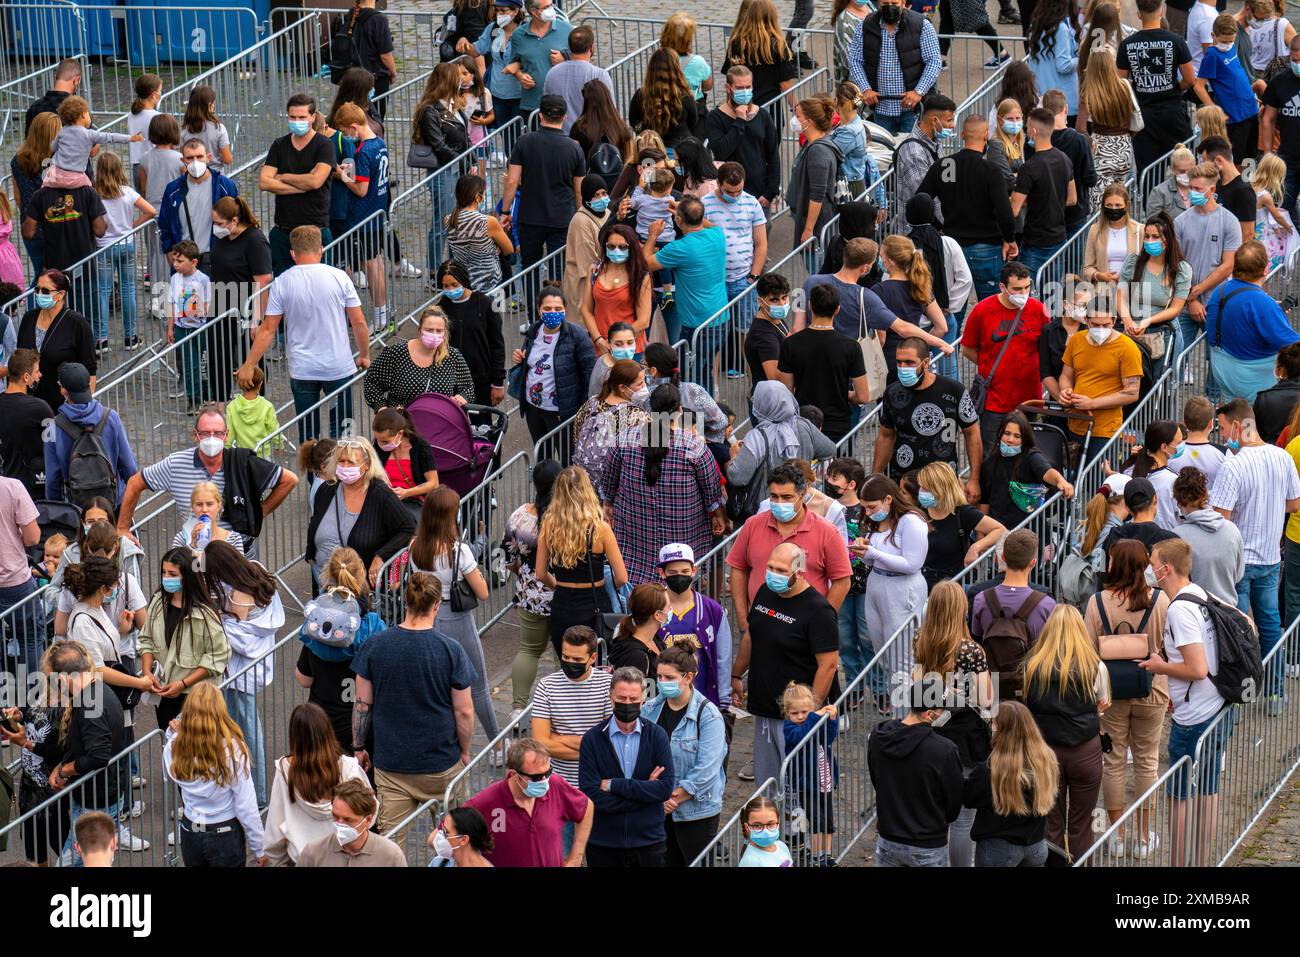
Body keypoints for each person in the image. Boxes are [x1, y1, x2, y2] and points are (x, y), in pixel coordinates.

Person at [350, 572, 474, 833]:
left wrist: (359, 747)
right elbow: (463, 711)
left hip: (391, 764)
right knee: (458, 838)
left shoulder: (375, 646)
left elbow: (362, 704)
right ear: (437, 605)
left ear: (405, 601)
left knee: (392, 844)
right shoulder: (451, 650)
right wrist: (465, 751)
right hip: (441, 762)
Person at [1138, 538, 1230, 864]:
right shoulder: (1202, 593)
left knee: (1179, 795)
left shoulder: (1178, 609)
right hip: (1217, 708)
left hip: (1195, 718)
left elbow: (1196, 668)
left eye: (1152, 563)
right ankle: (1202, 861)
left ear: (1166, 569)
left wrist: (1159, 666)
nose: (1150, 569)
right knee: (1208, 788)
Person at [236, 225, 370, 443]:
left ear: (292, 254)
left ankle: (313, 477)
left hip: (302, 368)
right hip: (337, 366)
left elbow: (268, 329)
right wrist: (364, 354)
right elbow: (359, 321)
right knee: (343, 432)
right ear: (321, 250)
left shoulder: (282, 282)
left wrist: (250, 363)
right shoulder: (339, 277)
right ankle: (343, 473)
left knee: (308, 434)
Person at [1082, 539, 1169, 858]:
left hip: (1110, 692)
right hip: (1152, 688)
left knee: (1114, 761)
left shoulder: (1097, 602)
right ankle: (1144, 837)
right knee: (1148, 761)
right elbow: (1164, 642)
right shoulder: (1159, 600)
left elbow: (1089, 649)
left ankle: (1117, 836)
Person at [117, 405, 297, 560]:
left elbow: (289, 480)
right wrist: (123, 528)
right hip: (197, 552)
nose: (212, 438)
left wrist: (260, 511)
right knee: (201, 597)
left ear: (226, 436)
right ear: (195, 435)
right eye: (205, 433)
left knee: (238, 598)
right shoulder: (176, 464)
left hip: (237, 553)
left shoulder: (242, 463)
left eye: (218, 433)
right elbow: (135, 482)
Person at [1210, 397, 1300, 690]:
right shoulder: (1282, 456)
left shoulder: (1234, 465)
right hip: (1270, 558)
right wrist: (1271, 506)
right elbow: (1294, 503)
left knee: (1240, 630)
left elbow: (1220, 517)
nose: (1222, 436)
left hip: (1239, 562)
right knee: (1270, 624)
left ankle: (1242, 689)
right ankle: (1274, 690)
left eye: (1223, 428)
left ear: (1238, 426)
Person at [602, 384, 725, 585]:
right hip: (683, 543)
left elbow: (608, 484)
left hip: (635, 540)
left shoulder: (624, 438)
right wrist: (719, 516)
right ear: (679, 410)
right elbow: (712, 493)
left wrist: (607, 505)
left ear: (650, 409)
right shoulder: (693, 446)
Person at [407, 485, 498, 741]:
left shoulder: (415, 547)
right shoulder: (458, 551)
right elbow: (482, 592)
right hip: (457, 619)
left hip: (427, 615)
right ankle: (497, 742)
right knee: (477, 685)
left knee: (435, 684)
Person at [1023, 605, 1111, 863]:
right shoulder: (1095, 666)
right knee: (1083, 823)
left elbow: (1029, 706)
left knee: (1050, 822)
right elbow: (1102, 703)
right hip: (1085, 750)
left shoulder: (1032, 667)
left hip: (1046, 752)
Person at [36, 640, 126, 865]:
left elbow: (98, 755)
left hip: (96, 801)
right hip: (101, 794)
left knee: (71, 863)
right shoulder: (96, 690)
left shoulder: (90, 703)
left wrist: (64, 771)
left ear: (64, 679)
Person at [577, 665, 676, 867]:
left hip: (649, 843)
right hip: (604, 844)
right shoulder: (592, 739)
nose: (627, 704)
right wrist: (645, 793)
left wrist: (615, 785)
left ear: (643, 698)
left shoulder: (657, 736)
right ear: (611, 697)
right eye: (622, 699)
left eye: (633, 699)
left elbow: (665, 789)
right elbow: (591, 795)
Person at [641, 639, 728, 866]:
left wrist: (674, 798)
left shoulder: (708, 715)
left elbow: (707, 769)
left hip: (696, 810)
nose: (662, 682)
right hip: (656, 806)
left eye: (669, 678)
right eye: (659, 677)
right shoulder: (650, 709)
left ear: (688, 677)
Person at [163, 682, 266, 867]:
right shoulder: (232, 748)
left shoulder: (174, 746)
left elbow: (170, 769)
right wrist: (260, 848)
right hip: (224, 832)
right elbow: (246, 804)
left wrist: (173, 734)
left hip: (191, 829)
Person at [917, 117, 1017, 303]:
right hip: (987, 248)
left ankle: (954, 333)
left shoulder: (947, 165)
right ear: (986, 135)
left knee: (954, 308)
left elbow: (921, 200)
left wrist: (937, 225)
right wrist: (1010, 239)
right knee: (992, 306)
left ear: (962, 135)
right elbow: (1005, 211)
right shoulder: (990, 169)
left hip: (952, 244)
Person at [867, 675, 964, 866]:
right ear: (929, 714)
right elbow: (953, 803)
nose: (945, 714)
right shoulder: (944, 749)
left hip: (888, 839)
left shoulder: (879, 737)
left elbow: (876, 778)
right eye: (942, 709)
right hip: (928, 845)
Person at [295, 546, 385, 749]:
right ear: (360, 577)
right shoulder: (371, 625)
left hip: (319, 721)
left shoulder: (317, 623)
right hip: (355, 723)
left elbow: (303, 678)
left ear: (328, 575)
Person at [263, 702, 371, 866]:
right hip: (345, 856)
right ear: (327, 731)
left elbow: (274, 829)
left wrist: (277, 860)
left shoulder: (285, 770)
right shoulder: (347, 766)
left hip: (302, 859)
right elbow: (369, 809)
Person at [305, 436, 414, 592]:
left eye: (351, 462)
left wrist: (380, 556)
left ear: (366, 465)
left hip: (362, 592)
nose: (345, 466)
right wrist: (311, 553)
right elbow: (315, 521)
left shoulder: (380, 494)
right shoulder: (326, 490)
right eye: (341, 461)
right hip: (324, 585)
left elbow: (408, 528)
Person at [464, 737, 594, 867]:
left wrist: (576, 858)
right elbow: (451, 834)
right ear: (514, 774)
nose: (544, 780)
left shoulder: (555, 785)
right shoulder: (486, 802)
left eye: (548, 772)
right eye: (536, 777)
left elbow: (587, 806)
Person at [961, 263, 1050, 453]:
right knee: (991, 453)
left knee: (1027, 454)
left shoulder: (1039, 310)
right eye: (1017, 289)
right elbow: (967, 349)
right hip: (995, 401)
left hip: (1030, 400)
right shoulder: (982, 310)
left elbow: (1047, 349)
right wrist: (991, 363)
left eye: (1027, 287)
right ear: (1002, 287)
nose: (1024, 292)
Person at [139, 546, 231, 728]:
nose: (166, 578)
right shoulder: (158, 602)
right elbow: (146, 640)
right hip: (164, 693)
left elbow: (217, 656)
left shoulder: (205, 613)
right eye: (164, 573)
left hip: (196, 697)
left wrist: (183, 684)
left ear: (187, 576)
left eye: (172, 574)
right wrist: (147, 671)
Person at [641, 196, 727, 388]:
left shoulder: (680, 248)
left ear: (679, 221)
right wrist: (684, 210)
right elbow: (709, 224)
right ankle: (707, 415)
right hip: (720, 320)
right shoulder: (718, 235)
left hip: (696, 326)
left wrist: (653, 234)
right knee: (705, 377)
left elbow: (646, 263)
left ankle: (694, 417)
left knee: (690, 382)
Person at [963, 700, 1059, 867]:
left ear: (1001, 729)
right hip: (1036, 846)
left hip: (998, 848)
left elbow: (970, 798)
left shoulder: (991, 769)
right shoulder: (1046, 760)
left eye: (993, 723)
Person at [876, 337, 981, 487]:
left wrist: (974, 479)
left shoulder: (954, 390)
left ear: (926, 363)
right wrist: (876, 476)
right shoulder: (892, 392)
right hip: (902, 482)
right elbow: (885, 436)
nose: (903, 367)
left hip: (942, 482)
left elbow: (972, 432)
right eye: (899, 362)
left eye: (909, 362)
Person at [1205, 241, 1300, 402]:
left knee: (1235, 417)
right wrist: (1273, 313)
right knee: (1254, 421)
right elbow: (1291, 342)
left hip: (1221, 369)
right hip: (1250, 377)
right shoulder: (1262, 303)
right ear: (1265, 269)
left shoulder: (1219, 291)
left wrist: (1272, 311)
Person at [501, 93, 585, 270]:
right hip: (561, 217)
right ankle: (557, 298)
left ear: (540, 115)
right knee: (559, 268)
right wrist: (580, 216)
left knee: (529, 265)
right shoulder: (574, 149)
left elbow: (512, 181)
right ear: (565, 116)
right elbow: (579, 191)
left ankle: (531, 299)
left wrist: (505, 211)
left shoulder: (524, 142)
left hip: (530, 216)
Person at [777, 284, 869, 442]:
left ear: (810, 305)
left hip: (803, 424)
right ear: (838, 309)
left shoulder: (791, 343)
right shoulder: (851, 346)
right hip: (838, 427)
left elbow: (786, 391)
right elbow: (863, 396)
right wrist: (842, 393)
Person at [1059, 295, 1144, 465]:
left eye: (1105, 325)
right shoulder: (1076, 340)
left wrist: (1092, 403)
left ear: (1114, 320)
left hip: (1105, 430)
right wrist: (1065, 391)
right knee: (1072, 477)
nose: (1100, 329)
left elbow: (1132, 393)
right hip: (1076, 423)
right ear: (1086, 320)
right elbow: (1066, 375)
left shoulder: (1127, 348)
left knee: (1098, 482)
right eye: (1095, 324)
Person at [258, 94, 337, 277]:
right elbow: (264, 181)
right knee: (283, 285)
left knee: (320, 285)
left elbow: (316, 181)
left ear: (312, 117)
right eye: (292, 117)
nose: (297, 121)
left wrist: (283, 176)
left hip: (315, 229)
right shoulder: (279, 145)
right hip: (284, 230)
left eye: (302, 117)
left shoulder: (324, 145)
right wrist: (303, 185)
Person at [504, 461, 560, 713]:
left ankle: (518, 708)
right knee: (566, 654)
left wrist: (525, 574)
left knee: (528, 650)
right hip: (565, 594)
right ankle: (563, 708)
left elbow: (507, 558)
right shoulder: (566, 520)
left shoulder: (519, 516)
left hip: (530, 595)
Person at [511, 283, 597, 445]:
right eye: (548, 309)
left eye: (558, 309)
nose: (553, 313)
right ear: (539, 309)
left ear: (565, 309)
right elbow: (530, 363)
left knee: (566, 460)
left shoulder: (578, 336)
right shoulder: (534, 331)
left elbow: (589, 375)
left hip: (562, 412)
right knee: (543, 458)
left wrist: (582, 411)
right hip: (533, 408)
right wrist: (519, 360)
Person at [1174, 161, 1242, 362]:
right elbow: (1177, 262)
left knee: (1216, 360)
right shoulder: (1181, 221)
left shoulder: (1229, 221)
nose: (1191, 192)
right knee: (1176, 359)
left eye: (1197, 189)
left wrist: (1199, 290)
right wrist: (1192, 298)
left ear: (1212, 190)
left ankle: (1212, 396)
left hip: (1217, 302)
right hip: (1184, 303)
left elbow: (1228, 265)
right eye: (1190, 188)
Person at [44, 362, 137, 508]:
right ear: (89, 384)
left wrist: (60, 513)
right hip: (111, 505)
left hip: (78, 508)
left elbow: (52, 481)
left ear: (63, 391)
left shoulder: (52, 427)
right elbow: (130, 468)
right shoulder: (111, 417)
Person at [1118, 0, 1195, 175]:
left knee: (1148, 172)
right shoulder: (1176, 41)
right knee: (1186, 165)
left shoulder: (1127, 45)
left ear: (1139, 15)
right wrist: (1174, 88)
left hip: (1143, 118)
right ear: (1161, 11)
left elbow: (1120, 84)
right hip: (1173, 113)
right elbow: (1190, 79)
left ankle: (1149, 202)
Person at [208, 195, 273, 403]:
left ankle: (255, 404)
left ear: (234, 221)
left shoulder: (254, 240)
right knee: (218, 360)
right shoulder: (222, 238)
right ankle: (219, 408)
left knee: (251, 362)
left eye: (219, 223)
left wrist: (258, 320)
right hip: (220, 307)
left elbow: (263, 282)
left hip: (245, 310)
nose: (215, 227)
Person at [333, 102, 390, 333]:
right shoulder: (380, 143)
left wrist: (342, 176)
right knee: (374, 263)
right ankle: (382, 312)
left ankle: (380, 314)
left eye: (346, 132)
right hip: (376, 212)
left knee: (370, 264)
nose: (346, 137)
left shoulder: (364, 151)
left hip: (362, 215)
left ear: (353, 127)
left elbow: (360, 189)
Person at [847, 0, 942, 136]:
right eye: (885, 3)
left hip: (912, 108)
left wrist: (918, 91)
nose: (889, 6)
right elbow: (855, 61)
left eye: (894, 2)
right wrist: (865, 89)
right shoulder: (865, 26)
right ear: (879, 2)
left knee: (911, 151)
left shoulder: (921, 25)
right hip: (880, 107)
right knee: (883, 151)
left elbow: (934, 61)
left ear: (903, 2)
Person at [91, 151, 153, 353]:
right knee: (128, 290)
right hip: (126, 244)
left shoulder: (94, 193)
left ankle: (101, 339)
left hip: (104, 246)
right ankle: (131, 337)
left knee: (102, 292)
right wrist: (132, 226)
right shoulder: (127, 192)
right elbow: (151, 211)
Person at [412, 62, 471, 270]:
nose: (463, 80)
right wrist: (462, 160)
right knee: (443, 223)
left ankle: (454, 269)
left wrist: (469, 161)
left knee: (456, 223)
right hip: (444, 170)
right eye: (458, 76)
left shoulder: (454, 106)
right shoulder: (431, 111)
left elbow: (465, 137)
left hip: (459, 168)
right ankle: (435, 271)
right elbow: (438, 145)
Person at [727, 381, 835, 492]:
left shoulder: (755, 437)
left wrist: (734, 457)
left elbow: (737, 478)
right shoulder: (803, 425)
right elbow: (830, 449)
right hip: (801, 499)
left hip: (767, 504)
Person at [700, 162, 768, 338]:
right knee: (714, 336)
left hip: (743, 281)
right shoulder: (704, 204)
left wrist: (753, 277)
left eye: (739, 190)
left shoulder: (752, 203)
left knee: (746, 335)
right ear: (719, 183)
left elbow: (761, 243)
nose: (735, 195)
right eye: (730, 192)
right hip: (716, 282)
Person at [365, 304, 475, 412]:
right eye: (429, 330)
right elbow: (371, 381)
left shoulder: (452, 356)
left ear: (444, 332)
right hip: (402, 425)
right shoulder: (398, 352)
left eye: (439, 330)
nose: (434, 334)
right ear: (420, 330)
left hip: (438, 423)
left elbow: (468, 387)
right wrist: (382, 408)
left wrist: (462, 397)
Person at [17, 269, 98, 415]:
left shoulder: (76, 323)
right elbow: (20, 359)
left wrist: (82, 410)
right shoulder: (29, 318)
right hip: (29, 405)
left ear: (61, 294)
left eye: (45, 291)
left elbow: (90, 370)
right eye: (37, 289)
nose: (40, 294)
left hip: (63, 409)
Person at [1009, 107, 1077, 279]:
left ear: (1032, 132)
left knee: (1029, 295)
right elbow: (1072, 199)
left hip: (1035, 242)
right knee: (1053, 291)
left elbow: (1014, 210)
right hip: (1059, 238)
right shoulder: (1064, 159)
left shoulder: (1029, 167)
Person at [918, 461, 1007, 590]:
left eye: (926, 488)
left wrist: (976, 547)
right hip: (921, 584)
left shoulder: (963, 512)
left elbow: (1000, 529)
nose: (921, 492)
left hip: (952, 587)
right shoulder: (918, 511)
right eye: (921, 487)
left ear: (941, 488)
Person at [703, 67, 782, 212]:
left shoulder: (763, 116)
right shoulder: (715, 117)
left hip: (759, 195)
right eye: (739, 88)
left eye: (748, 87)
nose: (745, 91)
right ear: (728, 88)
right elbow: (721, 150)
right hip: (729, 193)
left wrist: (770, 192)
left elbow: (773, 156)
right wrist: (739, 121)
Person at [573, 360, 651, 496]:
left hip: (582, 485)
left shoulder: (591, 403)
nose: (645, 387)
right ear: (622, 387)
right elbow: (651, 452)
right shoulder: (636, 416)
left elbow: (577, 434)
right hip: (614, 490)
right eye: (640, 384)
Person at [1118, 212, 1192, 352]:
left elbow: (1175, 308)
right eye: (1147, 236)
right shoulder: (1133, 262)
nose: (1149, 241)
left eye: (1156, 237)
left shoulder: (1181, 269)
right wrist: (1127, 319)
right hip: (1131, 330)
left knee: (1165, 373)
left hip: (1163, 333)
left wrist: (1148, 321)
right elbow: (1120, 295)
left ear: (1168, 240)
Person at [437, 260, 506, 407]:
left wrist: (498, 383)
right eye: (445, 286)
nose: (450, 289)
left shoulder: (486, 303)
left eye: (454, 285)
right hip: (449, 382)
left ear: (464, 281)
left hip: (481, 381)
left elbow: (497, 344)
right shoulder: (440, 309)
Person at [1194, 16, 1260, 166]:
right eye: (1224, 41)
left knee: (1250, 157)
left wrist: (1249, 95)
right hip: (1235, 117)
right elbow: (1198, 86)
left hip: (1250, 109)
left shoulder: (1231, 47)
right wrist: (1215, 110)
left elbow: (1236, 76)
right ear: (1213, 36)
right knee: (1236, 159)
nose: (1228, 44)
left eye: (1231, 41)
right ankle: (1237, 185)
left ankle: (1247, 185)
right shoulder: (1212, 55)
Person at [297, 778, 408, 866]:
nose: (340, 824)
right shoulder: (313, 853)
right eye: (335, 816)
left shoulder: (391, 855)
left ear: (368, 820)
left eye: (348, 820)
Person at [787, 95, 844, 261]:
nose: (795, 120)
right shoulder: (811, 144)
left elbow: (817, 194)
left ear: (809, 121)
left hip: (817, 223)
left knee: (816, 268)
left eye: (798, 117)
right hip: (805, 215)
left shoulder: (818, 151)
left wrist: (809, 229)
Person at [583, 248, 652, 383]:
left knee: (630, 392)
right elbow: (586, 310)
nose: (616, 250)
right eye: (611, 246)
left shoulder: (640, 275)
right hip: (600, 348)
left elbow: (644, 321)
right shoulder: (595, 270)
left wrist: (619, 343)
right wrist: (600, 341)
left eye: (622, 247)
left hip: (630, 350)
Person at [721, 0, 797, 114]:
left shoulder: (737, 42)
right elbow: (785, 83)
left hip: (741, 107)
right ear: (772, 17)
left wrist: (729, 108)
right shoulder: (777, 45)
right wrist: (796, 108)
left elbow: (730, 77)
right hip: (769, 107)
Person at [11, 112, 60, 280]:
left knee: (41, 272)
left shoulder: (17, 159)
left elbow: (18, 196)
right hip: (52, 228)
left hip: (29, 224)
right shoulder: (53, 161)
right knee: (46, 279)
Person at [166, 239, 212, 411]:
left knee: (203, 362)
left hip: (200, 329)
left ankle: (208, 393)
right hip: (181, 328)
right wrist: (170, 327)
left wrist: (198, 310)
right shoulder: (174, 279)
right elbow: (171, 302)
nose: (175, 264)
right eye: (174, 260)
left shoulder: (203, 279)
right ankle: (193, 398)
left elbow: (208, 304)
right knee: (188, 364)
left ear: (193, 262)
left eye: (180, 261)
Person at [0, 349, 53, 499]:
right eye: (37, 372)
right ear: (26, 377)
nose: (40, 375)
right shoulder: (40, 408)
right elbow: (54, 447)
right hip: (35, 490)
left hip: (5, 489)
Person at [1258, 35, 1300, 222]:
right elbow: (1268, 118)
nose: (1297, 63)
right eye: (1294, 60)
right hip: (1287, 159)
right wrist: (1268, 153)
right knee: (1282, 208)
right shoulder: (1280, 81)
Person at [894, 94, 956, 217]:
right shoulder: (913, 152)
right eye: (949, 120)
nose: (953, 125)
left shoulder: (935, 140)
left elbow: (948, 181)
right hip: (918, 231)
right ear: (934, 121)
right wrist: (953, 221)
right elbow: (927, 197)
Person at [1118, 419, 1184, 531]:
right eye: (1179, 443)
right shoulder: (1175, 480)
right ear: (1164, 447)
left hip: (1136, 541)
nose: (1183, 445)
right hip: (1168, 543)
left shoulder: (1128, 471)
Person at [370, 407, 439, 510]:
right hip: (383, 502)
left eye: (385, 441)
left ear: (400, 433)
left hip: (413, 503)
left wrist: (407, 493)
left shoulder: (420, 446)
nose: (380, 444)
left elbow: (433, 483)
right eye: (378, 439)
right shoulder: (378, 446)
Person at [628, 48, 698, 150]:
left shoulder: (640, 96)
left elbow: (634, 122)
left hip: (650, 152)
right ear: (676, 69)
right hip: (681, 152)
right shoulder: (685, 96)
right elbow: (693, 121)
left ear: (651, 70)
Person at [562, 173, 611, 320]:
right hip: (583, 287)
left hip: (602, 282)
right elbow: (589, 264)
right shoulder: (581, 221)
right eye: (596, 195)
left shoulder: (607, 213)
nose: (602, 198)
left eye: (604, 193)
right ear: (587, 198)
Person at [1198, 135, 1257, 244]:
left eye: (1207, 164)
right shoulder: (1217, 185)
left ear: (1219, 161)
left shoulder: (1243, 191)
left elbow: (1247, 235)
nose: (1205, 169)